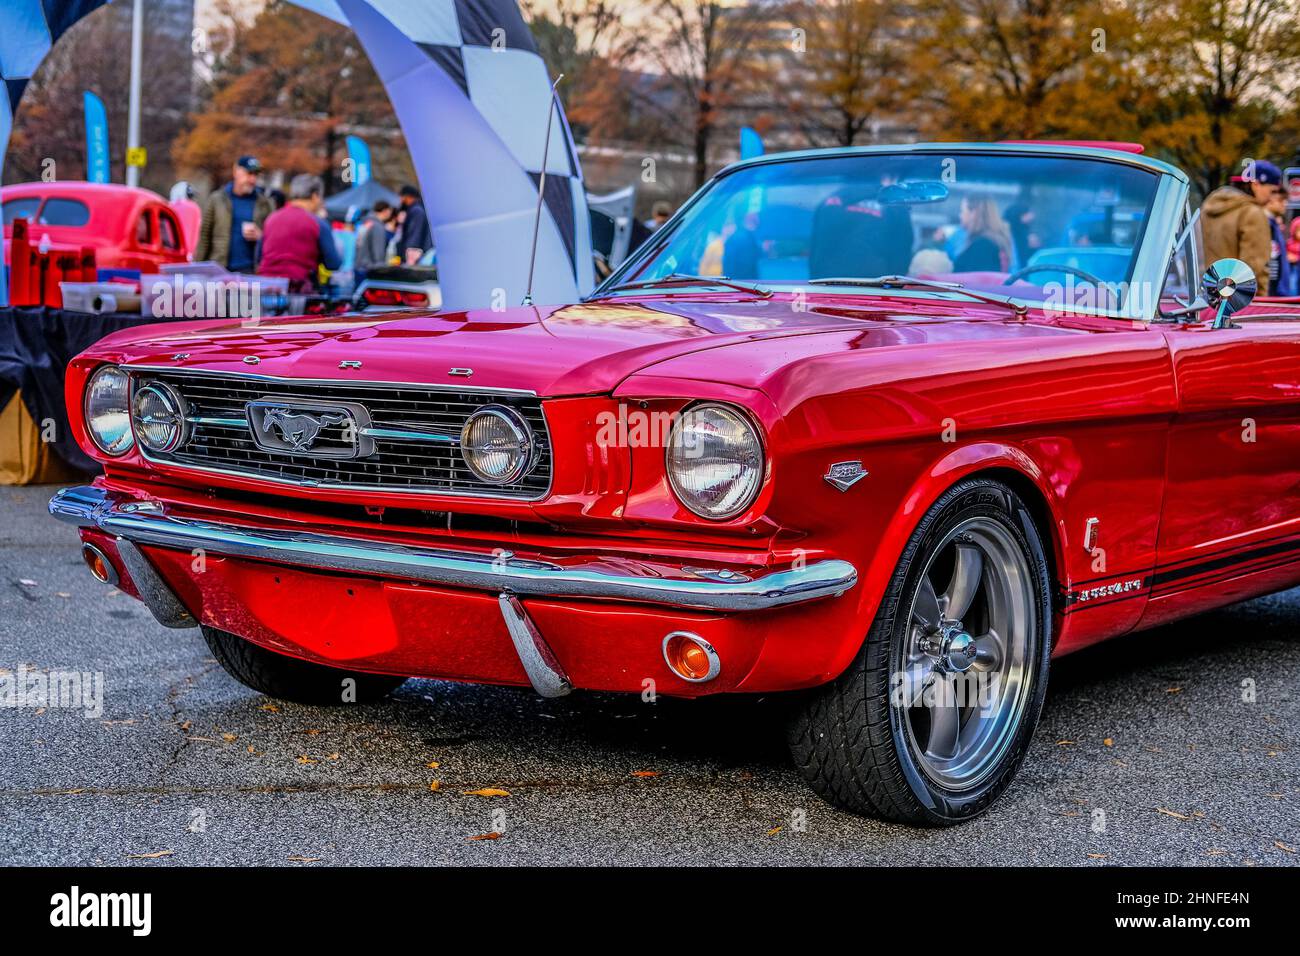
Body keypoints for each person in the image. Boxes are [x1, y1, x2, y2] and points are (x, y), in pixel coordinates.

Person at [1201, 159, 1281, 293]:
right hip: (1242, 304)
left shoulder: (1207, 208)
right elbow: (1254, 268)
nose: (1271, 198)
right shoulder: (1253, 213)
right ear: (1256, 185)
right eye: (1272, 191)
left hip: (1206, 297)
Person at [257, 174, 341, 293]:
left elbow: (259, 257)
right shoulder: (317, 223)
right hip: (298, 290)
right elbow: (333, 263)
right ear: (315, 196)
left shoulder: (271, 219)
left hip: (266, 288)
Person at [194, 156, 273, 272]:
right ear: (236, 171)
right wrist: (197, 268)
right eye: (249, 173)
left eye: (255, 175)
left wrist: (261, 236)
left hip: (251, 272)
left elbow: (273, 238)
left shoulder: (265, 203)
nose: (252, 180)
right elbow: (205, 236)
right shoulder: (217, 199)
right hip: (220, 269)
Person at [952, 195, 1013, 272]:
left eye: (962, 211)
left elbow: (976, 280)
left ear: (973, 213)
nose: (960, 215)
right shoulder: (993, 241)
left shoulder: (983, 245)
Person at [354, 200, 394, 279]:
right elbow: (378, 252)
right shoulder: (377, 226)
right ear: (385, 211)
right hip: (370, 270)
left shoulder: (365, 223)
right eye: (390, 211)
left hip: (359, 267)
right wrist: (381, 271)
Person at [395, 184, 431, 265]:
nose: (400, 199)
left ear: (407, 196)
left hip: (414, 255)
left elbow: (415, 233)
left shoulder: (416, 210)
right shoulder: (416, 209)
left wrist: (410, 255)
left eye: (401, 196)